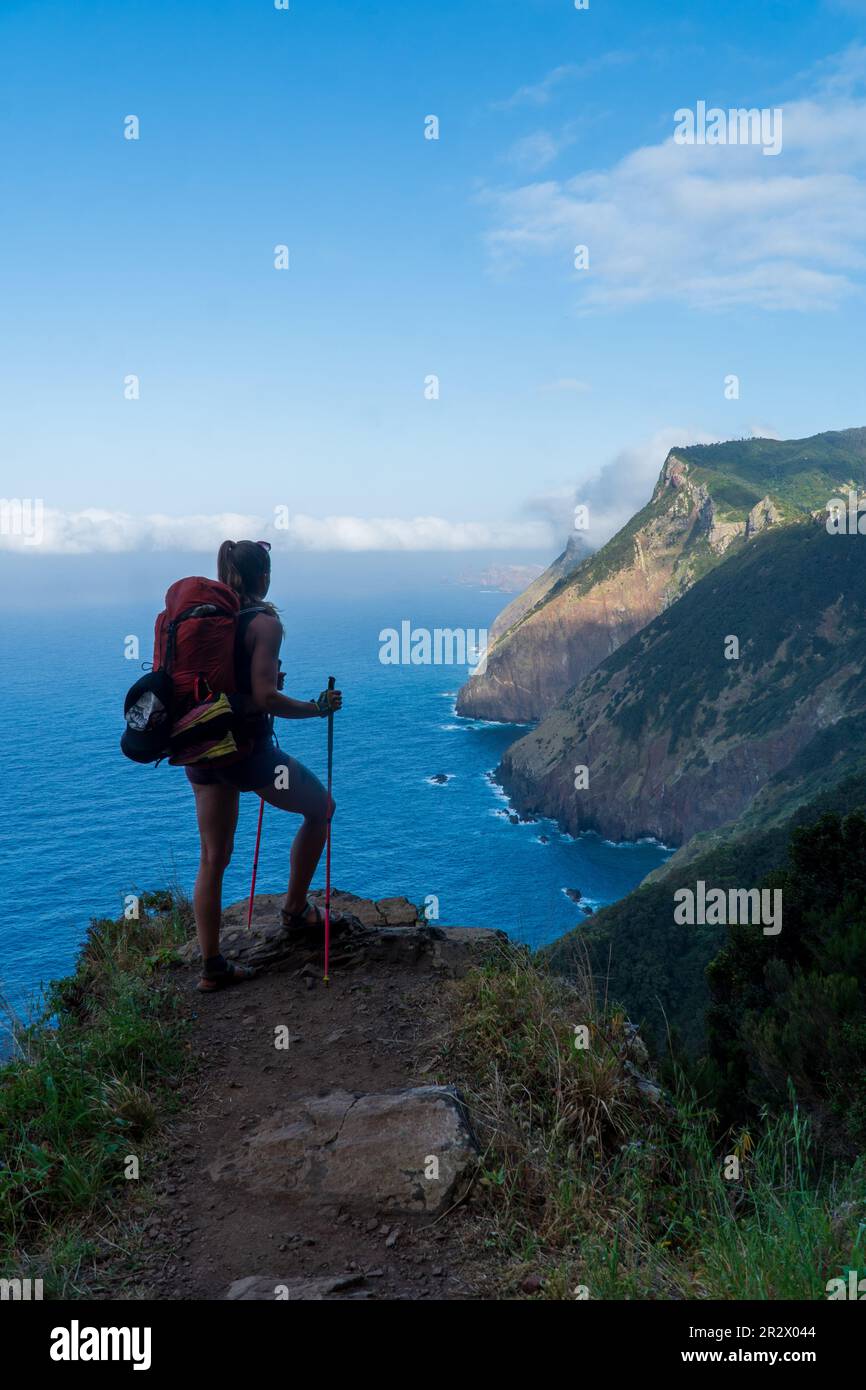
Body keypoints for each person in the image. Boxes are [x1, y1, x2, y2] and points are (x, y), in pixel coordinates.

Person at [187, 539, 341, 992]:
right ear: (264, 576)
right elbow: (265, 698)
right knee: (321, 809)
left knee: (212, 858)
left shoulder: (208, 621)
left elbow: (239, 684)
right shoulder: (265, 624)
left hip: (199, 747)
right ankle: (295, 910)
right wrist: (317, 708)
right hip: (246, 753)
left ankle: (211, 966)